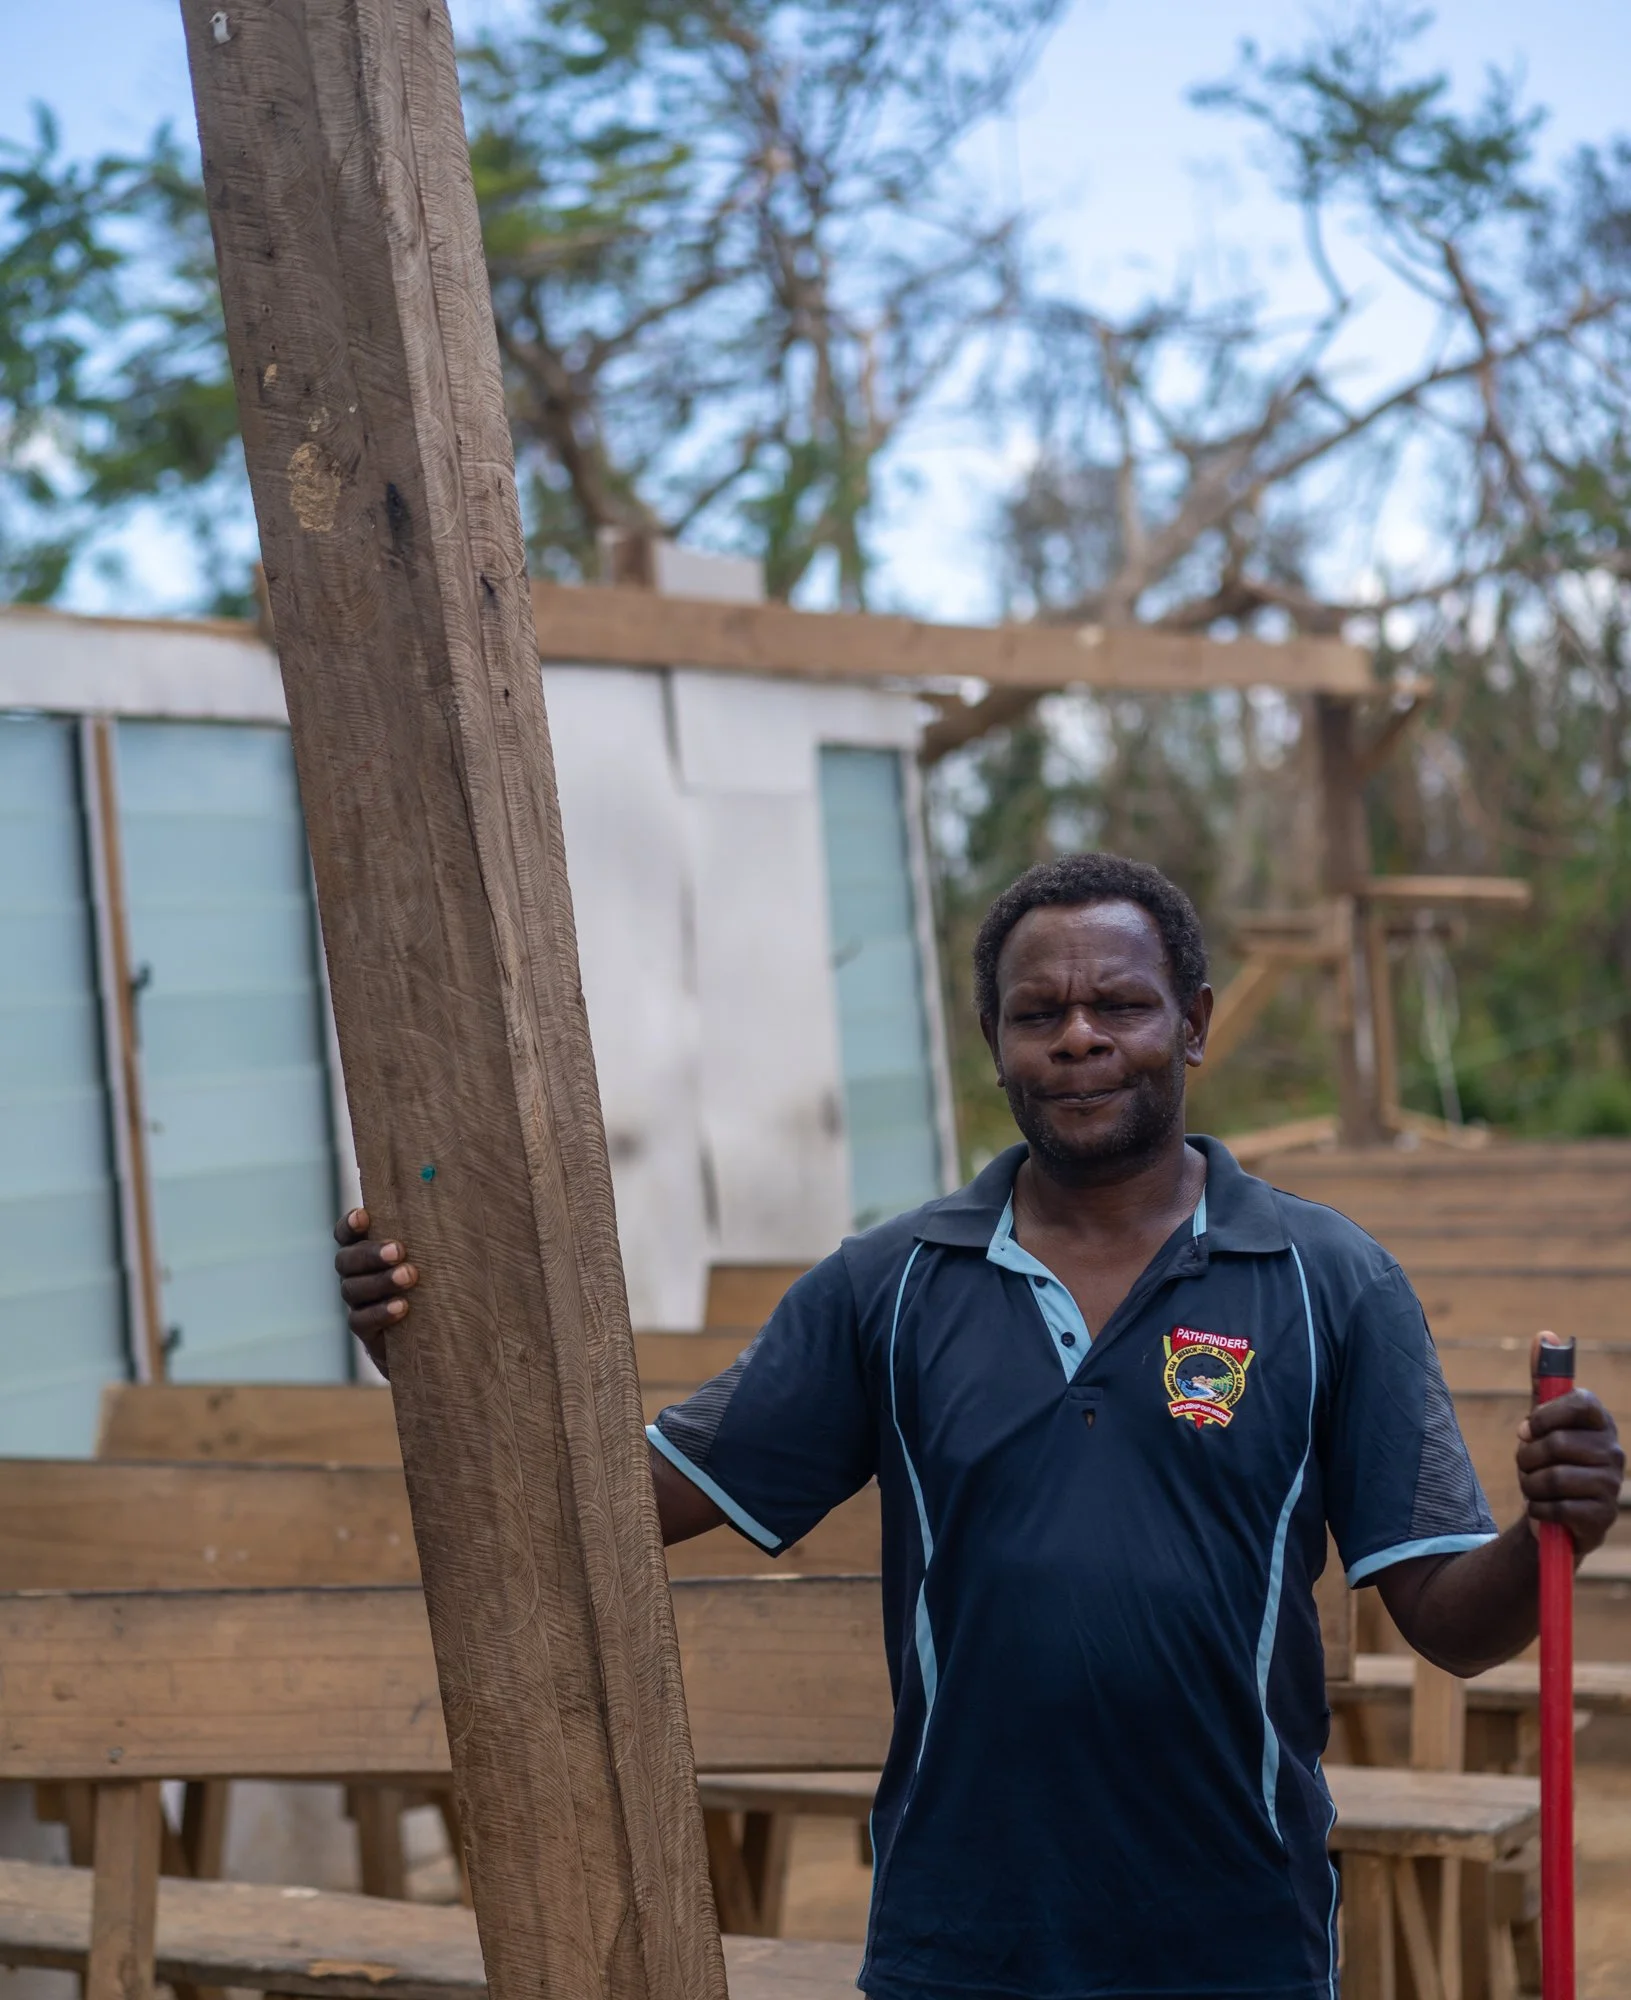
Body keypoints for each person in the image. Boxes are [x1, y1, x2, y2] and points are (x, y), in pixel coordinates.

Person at [335, 851, 1623, 2000]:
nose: (1078, 1038)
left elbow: (1453, 1627)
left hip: (1232, 1925)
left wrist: (1552, 1526)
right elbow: (613, 1509)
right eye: (1037, 1012)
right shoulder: (890, 1283)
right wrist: (434, 1358)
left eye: (1119, 1005)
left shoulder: (1325, 1279)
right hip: (960, 1934)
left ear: (1194, 1024)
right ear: (991, 1039)